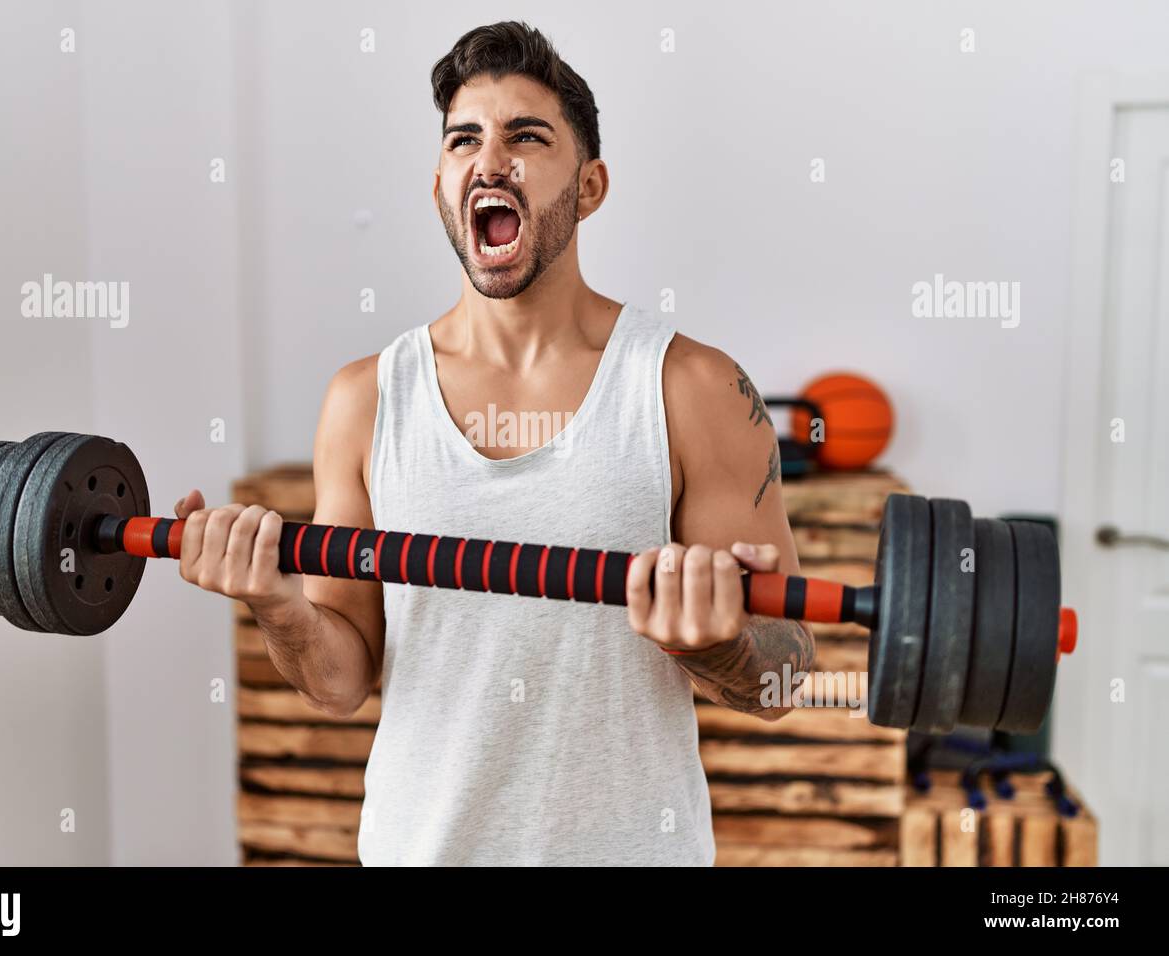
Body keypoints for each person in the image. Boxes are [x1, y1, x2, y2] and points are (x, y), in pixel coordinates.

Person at [174, 20, 813, 866]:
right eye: (464, 139)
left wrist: (720, 644)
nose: (489, 160)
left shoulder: (691, 389)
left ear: (589, 187)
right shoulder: (366, 400)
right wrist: (276, 604)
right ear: (441, 186)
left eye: (526, 137)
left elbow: (789, 674)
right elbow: (338, 679)